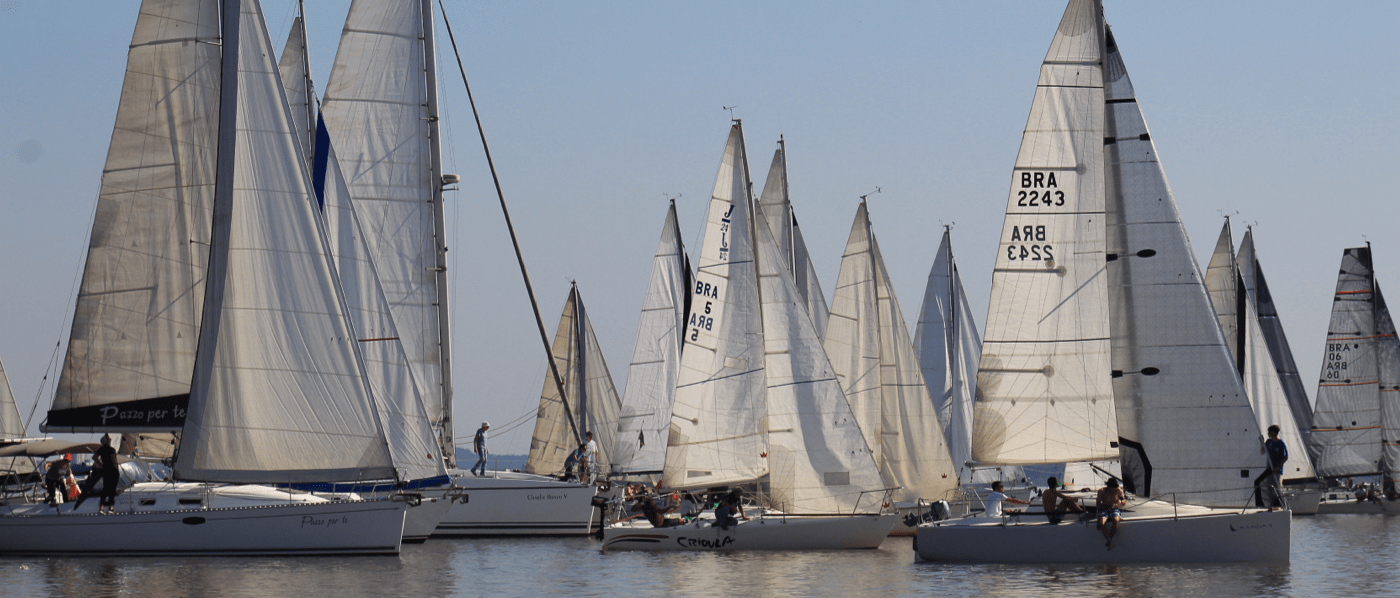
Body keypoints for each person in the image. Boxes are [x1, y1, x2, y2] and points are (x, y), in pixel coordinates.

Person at [1256, 424, 1288, 511]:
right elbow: (1263, 452)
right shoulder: (1269, 442)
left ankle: (1281, 505)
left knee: (1277, 488)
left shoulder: (1281, 443)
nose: (1268, 433)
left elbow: (1286, 457)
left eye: (1269, 432)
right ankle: (1270, 506)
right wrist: (1262, 443)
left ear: (1274, 432)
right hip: (1269, 469)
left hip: (1277, 470)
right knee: (1269, 487)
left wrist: (1278, 467)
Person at [93, 434, 120, 514]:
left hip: (106, 470)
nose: (110, 440)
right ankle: (110, 507)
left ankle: (102, 507)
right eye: (109, 439)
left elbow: (94, 457)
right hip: (113, 470)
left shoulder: (101, 449)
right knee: (112, 489)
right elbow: (114, 461)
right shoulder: (112, 449)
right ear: (106, 441)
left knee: (105, 489)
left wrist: (101, 464)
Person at [1097, 478, 1126, 550]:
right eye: (1112, 487)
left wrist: (1121, 502)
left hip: (1114, 509)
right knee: (1102, 523)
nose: (1114, 488)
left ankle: (1109, 541)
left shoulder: (1118, 490)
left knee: (1116, 521)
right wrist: (1100, 512)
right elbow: (1098, 504)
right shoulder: (1101, 491)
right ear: (1108, 486)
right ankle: (1110, 542)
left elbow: (1123, 500)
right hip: (1104, 510)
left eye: (1115, 486)